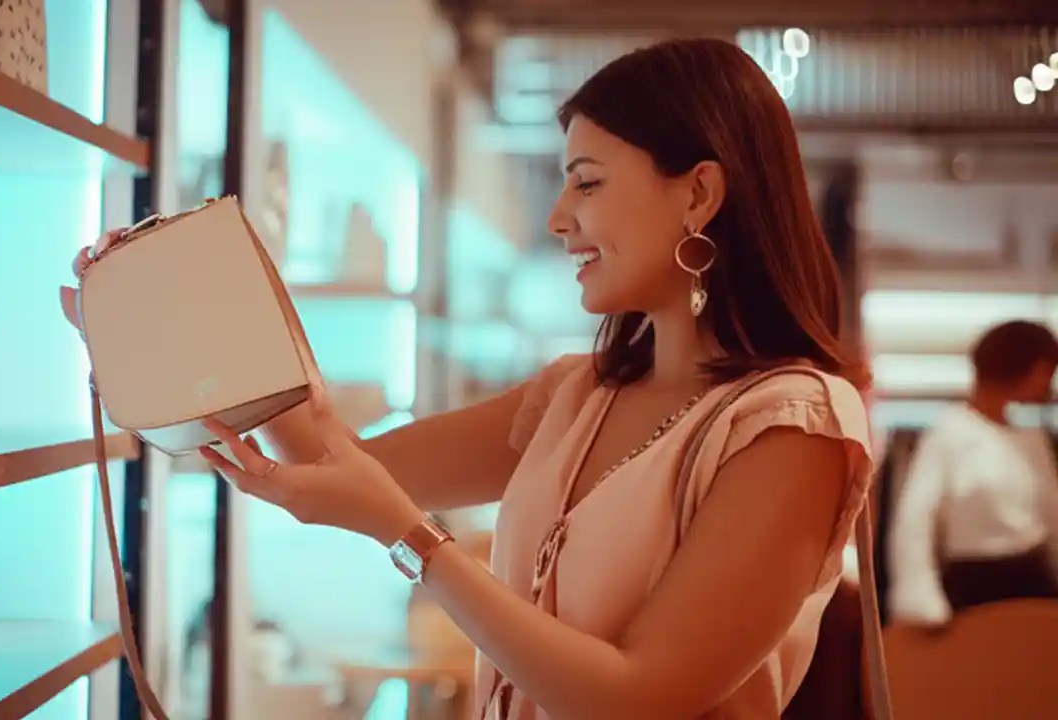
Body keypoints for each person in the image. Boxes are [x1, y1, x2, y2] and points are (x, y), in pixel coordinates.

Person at [75, 38, 875, 719]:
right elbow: (327, 455)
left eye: (587, 182)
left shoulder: (793, 427)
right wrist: (158, 313)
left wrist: (412, 536)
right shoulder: (574, 396)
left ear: (699, 193)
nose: (558, 216)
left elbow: (636, 699)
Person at [888, 320, 1058, 628]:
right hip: (974, 588)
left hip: (1034, 582)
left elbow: (1052, 514)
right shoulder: (950, 432)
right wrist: (921, 596)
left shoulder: (1033, 438)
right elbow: (916, 520)